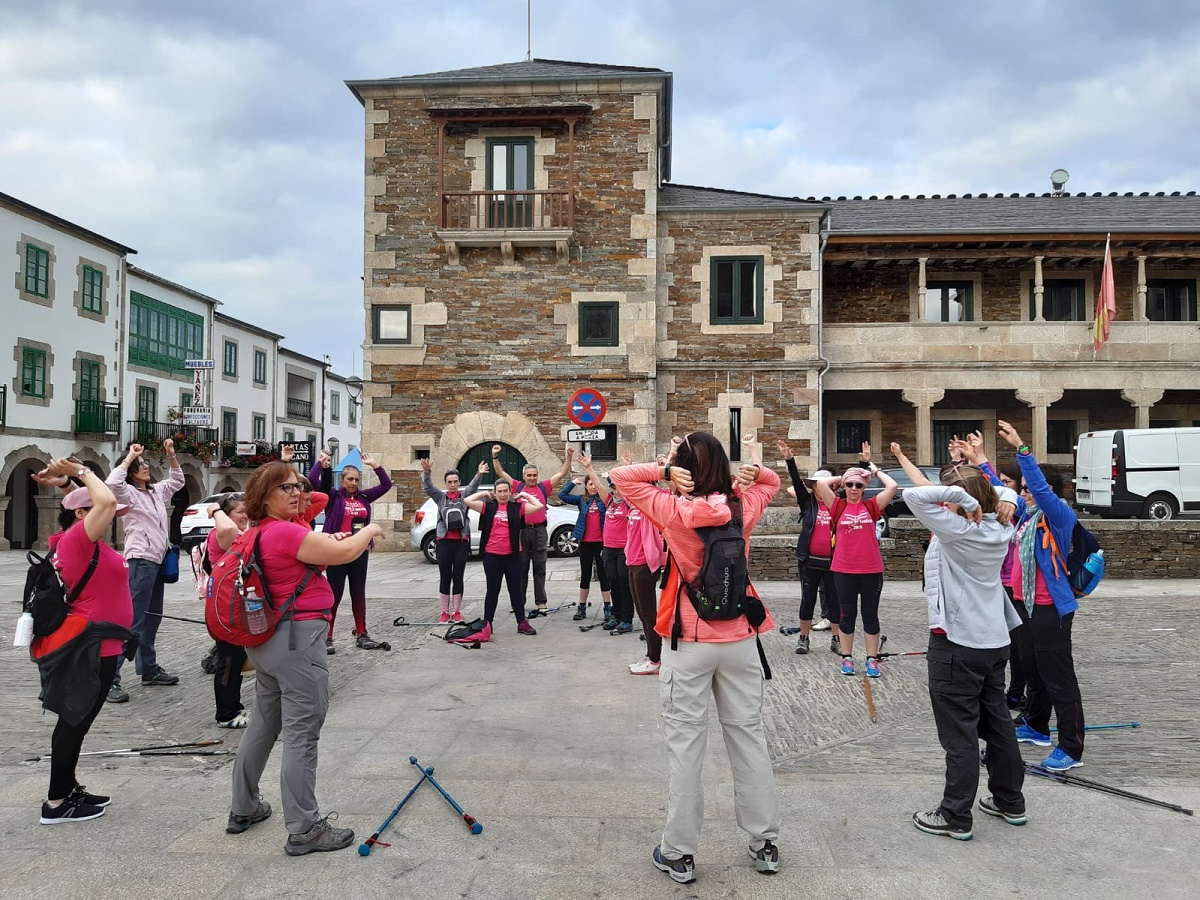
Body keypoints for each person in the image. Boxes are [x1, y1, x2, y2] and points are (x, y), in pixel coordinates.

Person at [611, 431, 782, 884]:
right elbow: (772, 483)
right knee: (748, 736)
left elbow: (620, 476)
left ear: (684, 469)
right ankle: (764, 842)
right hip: (742, 637)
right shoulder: (742, 505)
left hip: (689, 639)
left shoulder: (669, 508)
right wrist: (754, 471)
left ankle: (680, 852)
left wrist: (663, 472)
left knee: (686, 746)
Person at [227, 461, 384, 855]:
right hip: (296, 642)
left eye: (297, 485)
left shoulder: (258, 531)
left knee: (262, 727)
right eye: (285, 489)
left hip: (265, 642)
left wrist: (293, 486)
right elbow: (346, 552)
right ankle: (304, 828)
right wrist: (370, 529)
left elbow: (317, 498)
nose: (298, 493)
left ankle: (243, 808)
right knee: (302, 735)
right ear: (264, 499)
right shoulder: (283, 531)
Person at [904, 466, 1026, 841]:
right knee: (999, 724)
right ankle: (1010, 800)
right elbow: (1012, 497)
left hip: (957, 643)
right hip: (993, 640)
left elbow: (911, 496)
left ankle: (955, 814)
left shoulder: (957, 529)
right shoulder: (999, 527)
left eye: (952, 492)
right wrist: (1000, 498)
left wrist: (963, 498)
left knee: (960, 734)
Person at [32, 458, 134, 824]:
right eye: (104, 512)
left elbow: (89, 504)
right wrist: (83, 472)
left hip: (102, 645)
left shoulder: (81, 538)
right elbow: (101, 503)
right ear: (83, 517)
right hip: (90, 648)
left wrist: (66, 487)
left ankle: (69, 786)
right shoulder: (78, 540)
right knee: (73, 722)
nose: (113, 515)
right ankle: (56, 804)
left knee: (78, 722)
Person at [998, 420, 1087, 771]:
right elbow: (996, 489)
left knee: (1059, 678)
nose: (1024, 492)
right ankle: (1036, 726)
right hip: (1028, 605)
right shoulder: (1028, 517)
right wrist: (975, 460)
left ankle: (1071, 748)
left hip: (1052, 609)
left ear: (1047, 491)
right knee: (1035, 670)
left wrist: (1022, 448)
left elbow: (1037, 485)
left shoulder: (1059, 516)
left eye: (1030, 489)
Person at [104, 440, 185, 702]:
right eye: (140, 466)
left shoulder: (154, 492)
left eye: (145, 463)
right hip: (141, 560)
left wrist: (171, 455)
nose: (145, 466)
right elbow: (111, 484)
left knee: (152, 617)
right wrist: (129, 457)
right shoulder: (127, 493)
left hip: (158, 560)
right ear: (130, 472)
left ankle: (148, 669)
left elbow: (177, 481)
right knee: (133, 620)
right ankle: (109, 680)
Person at [812, 443, 897, 678]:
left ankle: (871, 659)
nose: (853, 488)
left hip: (871, 570)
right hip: (843, 570)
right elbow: (820, 484)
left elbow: (893, 485)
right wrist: (847, 474)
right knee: (846, 614)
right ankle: (847, 658)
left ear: (864, 487)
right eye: (849, 485)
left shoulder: (872, 506)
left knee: (870, 615)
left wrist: (872, 470)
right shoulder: (837, 506)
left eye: (858, 485)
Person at [309, 451, 393, 653]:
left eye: (356, 479)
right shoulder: (333, 496)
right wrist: (321, 463)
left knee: (358, 593)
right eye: (350, 479)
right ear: (342, 480)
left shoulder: (364, 496)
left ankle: (362, 633)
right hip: (337, 551)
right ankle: (328, 637)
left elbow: (386, 486)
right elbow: (312, 480)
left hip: (359, 551)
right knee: (334, 595)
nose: (354, 483)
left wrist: (375, 465)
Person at [452, 479, 545, 642]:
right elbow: (467, 500)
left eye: (505, 491)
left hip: (513, 556)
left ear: (510, 492)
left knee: (515, 590)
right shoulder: (488, 507)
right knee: (492, 590)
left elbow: (539, 506)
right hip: (492, 555)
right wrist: (484, 494)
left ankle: (521, 622)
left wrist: (524, 495)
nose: (503, 494)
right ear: (495, 493)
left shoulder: (517, 508)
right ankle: (488, 623)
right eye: (499, 491)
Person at [491, 445, 574, 614]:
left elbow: (562, 473)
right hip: (522, 532)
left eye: (534, 475)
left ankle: (541, 602)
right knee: (521, 569)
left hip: (540, 532)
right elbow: (501, 473)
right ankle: (519, 602)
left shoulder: (544, 487)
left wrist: (569, 456)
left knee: (540, 568)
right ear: (523, 476)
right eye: (529, 475)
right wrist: (494, 457)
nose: (532, 478)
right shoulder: (517, 487)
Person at [778, 439, 840, 656]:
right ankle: (803, 638)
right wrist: (789, 459)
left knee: (835, 602)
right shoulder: (807, 502)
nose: (822, 489)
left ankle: (836, 638)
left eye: (827, 485)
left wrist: (860, 465)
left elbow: (855, 480)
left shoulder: (839, 503)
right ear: (812, 487)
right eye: (817, 485)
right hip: (809, 560)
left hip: (834, 562)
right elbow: (795, 481)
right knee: (808, 600)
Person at [421, 458, 487, 623]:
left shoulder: (464, 497)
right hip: (443, 542)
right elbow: (428, 487)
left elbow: (473, 487)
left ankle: (456, 612)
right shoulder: (441, 498)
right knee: (445, 577)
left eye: (455, 481)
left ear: (459, 482)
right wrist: (427, 472)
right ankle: (444, 612)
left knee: (458, 576)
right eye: (449, 482)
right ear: (445, 483)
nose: (452, 484)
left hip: (461, 543)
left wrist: (479, 474)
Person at [206, 494, 252, 729]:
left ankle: (234, 705)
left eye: (247, 511)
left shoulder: (240, 533)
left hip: (236, 606)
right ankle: (225, 713)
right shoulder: (220, 535)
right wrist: (215, 510)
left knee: (236, 659)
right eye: (240, 511)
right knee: (227, 661)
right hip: (224, 609)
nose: (245, 516)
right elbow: (228, 529)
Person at [624, 452, 667, 674]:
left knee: (650, 614)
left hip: (645, 564)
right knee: (641, 612)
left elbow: (671, 489)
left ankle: (655, 659)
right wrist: (630, 466)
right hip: (632, 562)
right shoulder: (634, 503)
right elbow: (622, 484)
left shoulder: (655, 502)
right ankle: (651, 655)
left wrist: (668, 459)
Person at [560, 452, 612, 622]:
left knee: (604, 575)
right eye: (590, 485)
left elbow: (617, 493)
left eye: (594, 484)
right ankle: (581, 607)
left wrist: (609, 479)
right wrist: (571, 483)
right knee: (585, 574)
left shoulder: (604, 500)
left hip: (602, 543)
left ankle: (607, 607)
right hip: (586, 543)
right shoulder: (582, 500)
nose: (593, 487)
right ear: (586, 486)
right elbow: (562, 496)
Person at [601, 476, 635, 634]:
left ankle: (627, 619)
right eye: (614, 488)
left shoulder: (629, 503)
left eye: (620, 488)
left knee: (624, 582)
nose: (617, 491)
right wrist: (588, 468)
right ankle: (615, 615)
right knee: (612, 581)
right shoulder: (609, 501)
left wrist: (629, 467)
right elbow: (597, 484)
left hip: (623, 548)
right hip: (608, 548)